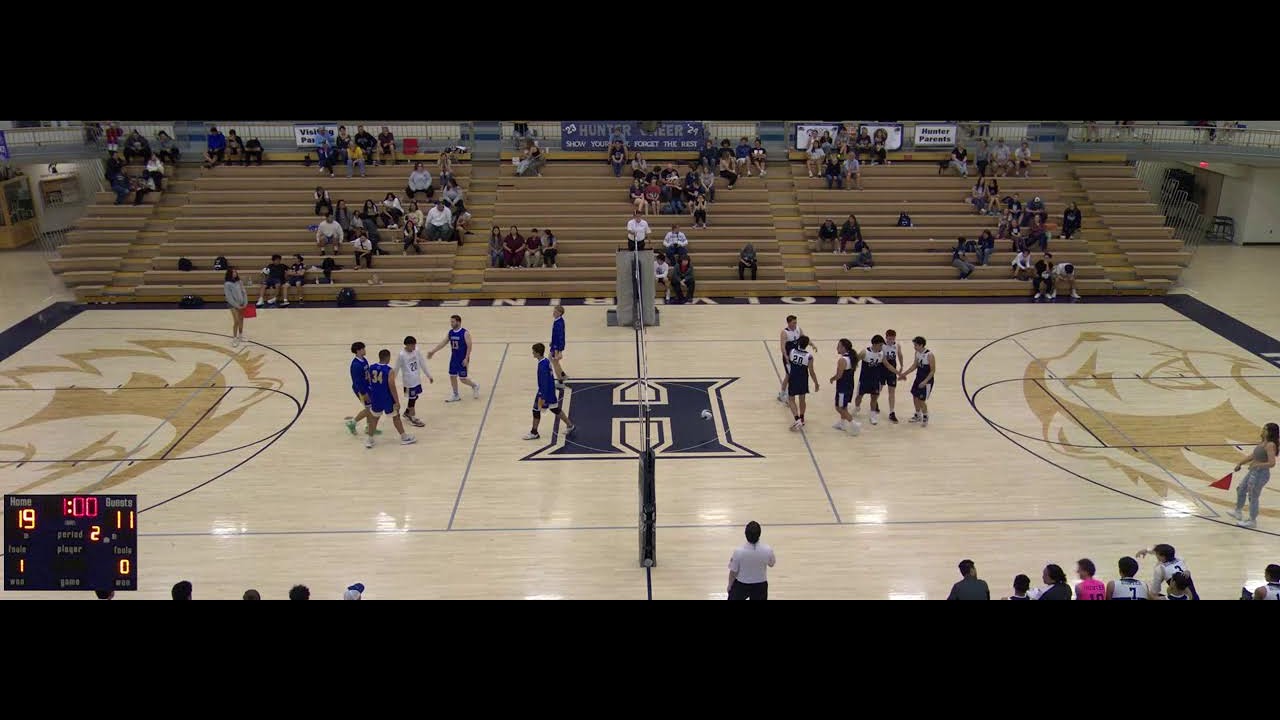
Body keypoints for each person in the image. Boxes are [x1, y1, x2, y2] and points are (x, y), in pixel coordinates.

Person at [523, 342, 577, 441]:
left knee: (536, 410)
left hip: (545, 392)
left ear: (538, 353)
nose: (532, 353)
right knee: (555, 409)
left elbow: (543, 383)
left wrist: (542, 397)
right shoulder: (546, 361)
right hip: (550, 390)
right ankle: (570, 425)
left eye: (533, 352)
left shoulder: (542, 366)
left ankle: (534, 432)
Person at [363, 348, 416, 448]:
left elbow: (369, 381)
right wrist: (397, 401)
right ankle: (404, 437)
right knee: (396, 417)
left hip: (375, 397)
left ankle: (369, 440)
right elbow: (392, 386)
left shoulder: (372, 367)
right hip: (386, 398)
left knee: (374, 418)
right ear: (388, 358)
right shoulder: (389, 370)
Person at [1228, 422, 1277, 528]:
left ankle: (1252, 520)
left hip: (1260, 474)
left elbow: (1272, 463)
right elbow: (1253, 455)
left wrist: (1257, 464)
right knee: (1240, 489)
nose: (1263, 430)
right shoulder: (1263, 442)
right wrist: (1240, 463)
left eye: (1266, 429)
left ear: (1271, 432)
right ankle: (1238, 511)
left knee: (1253, 497)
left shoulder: (1270, 445)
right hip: (1253, 472)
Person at [427, 315, 481, 401]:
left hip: (462, 358)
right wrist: (433, 351)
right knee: (452, 376)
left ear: (458, 322)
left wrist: (466, 358)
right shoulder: (451, 333)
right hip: (454, 358)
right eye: (451, 322)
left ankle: (475, 386)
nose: (451, 323)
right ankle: (456, 394)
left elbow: (469, 346)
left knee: (463, 379)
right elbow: (443, 342)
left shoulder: (465, 333)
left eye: (453, 322)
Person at [852, 334, 898, 426]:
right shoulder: (864, 352)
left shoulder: (881, 354)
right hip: (864, 380)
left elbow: (888, 365)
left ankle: (873, 415)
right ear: (875, 344)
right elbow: (855, 361)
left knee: (874, 398)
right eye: (881, 345)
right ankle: (857, 407)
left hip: (875, 380)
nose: (882, 347)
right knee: (859, 397)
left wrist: (898, 373)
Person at [727, 521, 775, 600]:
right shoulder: (767, 550)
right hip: (760, 585)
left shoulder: (738, 552)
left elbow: (733, 572)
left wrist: (730, 585)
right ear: (759, 534)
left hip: (741, 584)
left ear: (745, 534)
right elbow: (771, 564)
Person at [396, 335, 433, 429]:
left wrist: (428, 375)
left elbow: (422, 362)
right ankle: (412, 417)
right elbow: (396, 368)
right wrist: (391, 380)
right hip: (409, 382)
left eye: (415, 345)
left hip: (417, 379)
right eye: (412, 345)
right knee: (412, 399)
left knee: (415, 397)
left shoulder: (416, 350)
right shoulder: (402, 355)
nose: (414, 347)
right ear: (407, 345)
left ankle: (407, 413)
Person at [897, 336, 935, 427]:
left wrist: (925, 382)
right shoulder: (917, 353)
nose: (914, 347)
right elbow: (914, 366)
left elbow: (933, 371)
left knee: (921, 400)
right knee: (915, 396)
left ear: (921, 345)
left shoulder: (929, 355)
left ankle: (925, 416)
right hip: (918, 378)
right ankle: (918, 415)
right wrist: (904, 374)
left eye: (916, 345)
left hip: (927, 381)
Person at [786, 335, 819, 431]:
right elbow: (811, 372)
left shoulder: (792, 351)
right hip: (803, 378)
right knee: (802, 399)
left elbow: (790, 361)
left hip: (793, 377)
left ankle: (797, 419)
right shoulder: (809, 357)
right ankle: (802, 417)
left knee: (791, 399)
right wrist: (816, 383)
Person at [345, 342, 377, 437]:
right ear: (358, 350)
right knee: (369, 409)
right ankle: (352, 423)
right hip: (361, 390)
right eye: (363, 348)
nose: (365, 350)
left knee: (370, 408)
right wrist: (364, 393)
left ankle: (368, 427)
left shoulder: (363, 360)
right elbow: (357, 382)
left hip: (367, 387)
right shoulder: (356, 365)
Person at [829, 338, 860, 436]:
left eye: (838, 346)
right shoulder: (851, 357)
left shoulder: (842, 360)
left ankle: (854, 423)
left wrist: (832, 379)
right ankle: (842, 423)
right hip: (849, 385)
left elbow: (839, 375)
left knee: (839, 407)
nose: (837, 348)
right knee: (844, 406)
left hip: (843, 387)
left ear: (843, 348)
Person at [776, 315, 809, 404]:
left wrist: (812, 344)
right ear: (789, 323)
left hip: (796, 356)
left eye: (796, 322)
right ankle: (783, 394)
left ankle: (785, 394)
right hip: (788, 357)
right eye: (793, 322)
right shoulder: (784, 332)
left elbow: (804, 338)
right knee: (789, 375)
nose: (795, 324)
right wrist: (786, 356)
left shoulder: (798, 329)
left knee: (792, 375)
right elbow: (782, 346)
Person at [880, 329, 902, 423]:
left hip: (892, 371)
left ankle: (892, 412)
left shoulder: (897, 345)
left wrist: (902, 365)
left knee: (892, 392)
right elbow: (885, 362)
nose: (891, 341)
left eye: (892, 339)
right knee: (879, 389)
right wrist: (899, 373)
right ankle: (874, 403)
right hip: (882, 370)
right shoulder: (882, 346)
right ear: (886, 337)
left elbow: (900, 355)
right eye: (889, 339)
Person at [223, 268, 247, 347]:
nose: (235, 273)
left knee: (241, 320)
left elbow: (244, 292)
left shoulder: (239, 282)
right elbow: (229, 297)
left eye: (235, 272)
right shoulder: (227, 284)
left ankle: (240, 335)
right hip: (233, 305)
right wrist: (237, 306)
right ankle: (234, 338)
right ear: (229, 274)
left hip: (241, 304)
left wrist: (245, 302)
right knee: (236, 321)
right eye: (233, 272)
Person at [549, 305, 568, 389]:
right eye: (554, 311)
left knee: (554, 362)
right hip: (555, 345)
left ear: (559, 313)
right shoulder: (558, 321)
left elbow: (560, 337)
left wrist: (558, 350)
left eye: (555, 312)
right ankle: (563, 375)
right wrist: (552, 342)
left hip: (556, 347)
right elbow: (556, 335)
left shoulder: (559, 323)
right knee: (554, 361)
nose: (553, 313)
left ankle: (560, 382)